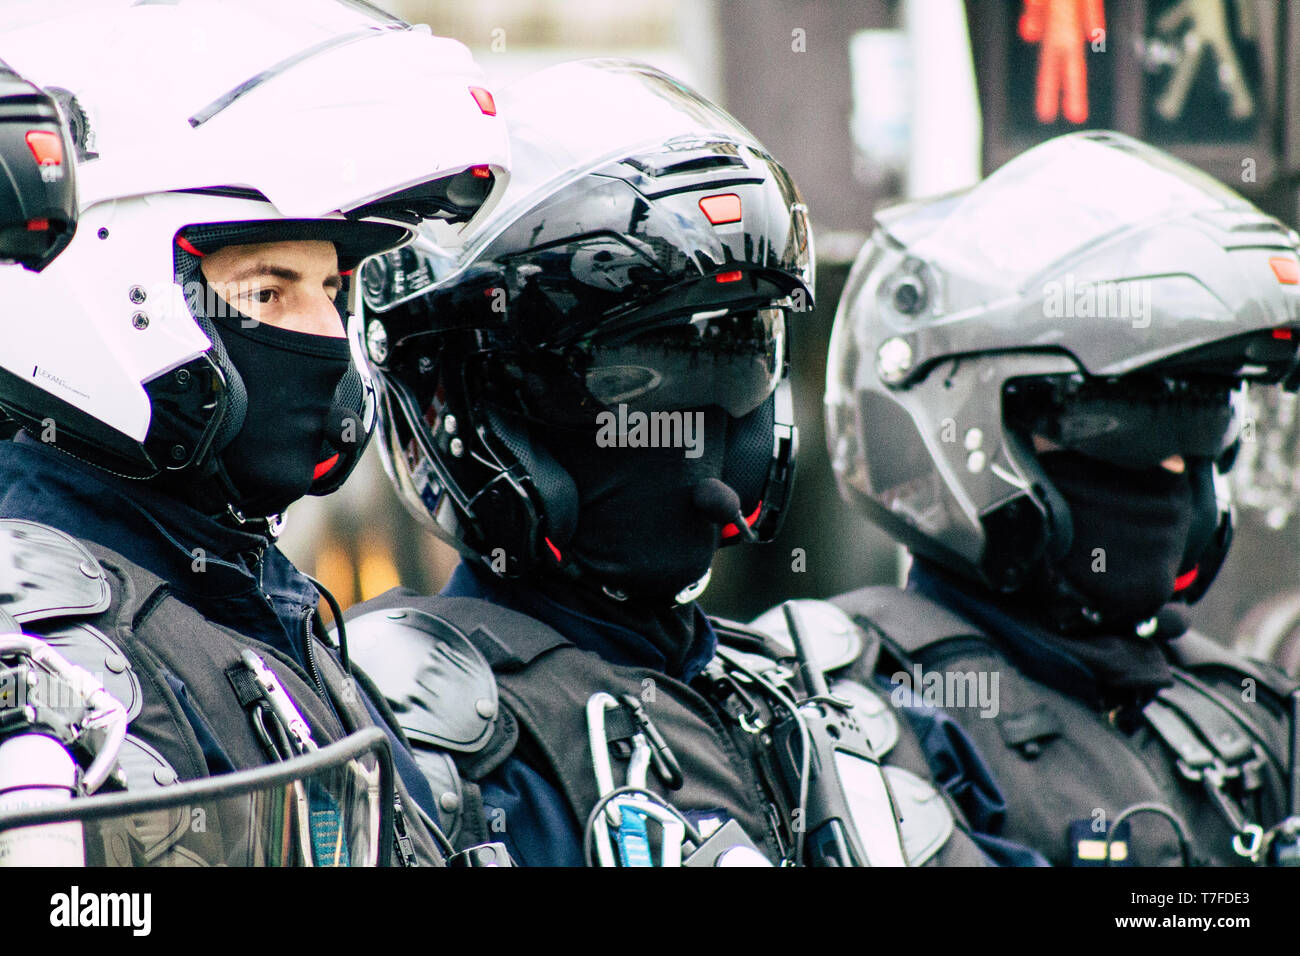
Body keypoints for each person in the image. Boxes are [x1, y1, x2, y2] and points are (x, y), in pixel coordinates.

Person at [344, 59, 1028, 867]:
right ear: (466, 398)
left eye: (731, 352)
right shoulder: (392, 737)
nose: (693, 428)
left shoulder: (835, 712)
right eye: (634, 368)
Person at [0, 0, 508, 866]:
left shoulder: (261, 604)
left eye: (335, 289)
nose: (323, 335)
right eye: (268, 292)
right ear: (106, 295)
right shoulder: (45, 644)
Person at [814, 130, 1300, 866]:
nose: (1173, 470)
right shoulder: (856, 716)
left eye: (1201, 426)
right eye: (1126, 428)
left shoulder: (1243, 708)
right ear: (959, 425)